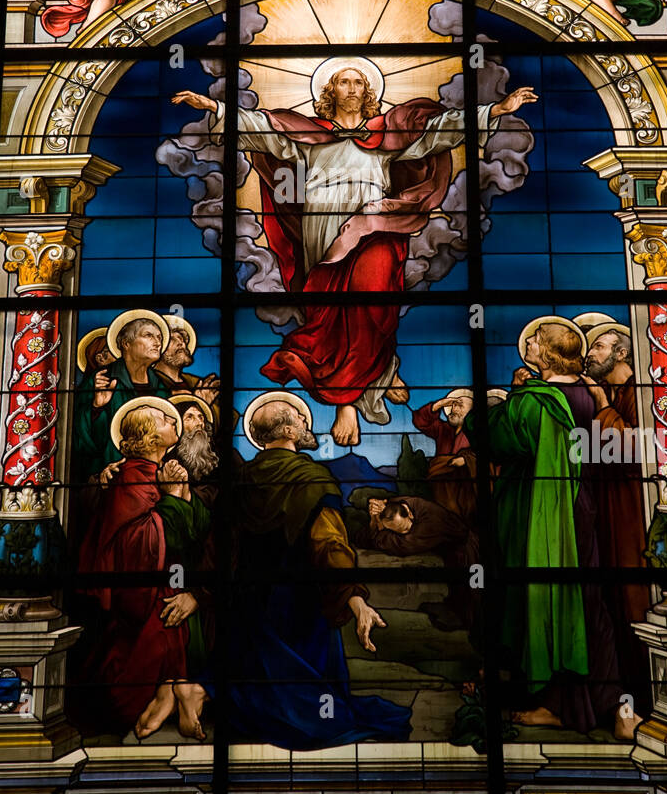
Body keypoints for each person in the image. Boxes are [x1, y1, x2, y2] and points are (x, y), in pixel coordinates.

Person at [173, 60, 536, 445]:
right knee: (332, 310)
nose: (350, 88)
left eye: (357, 82)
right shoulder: (307, 134)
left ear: (368, 92)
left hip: (376, 224)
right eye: (342, 82)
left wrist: (496, 109)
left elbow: (439, 133)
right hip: (322, 221)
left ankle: (372, 373)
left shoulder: (389, 133)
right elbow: (262, 131)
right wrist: (217, 109)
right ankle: (354, 393)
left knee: (375, 299)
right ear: (330, 92)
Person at [143, 391, 412, 748]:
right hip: (299, 602)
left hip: (247, 605)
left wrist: (202, 592)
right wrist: (354, 598)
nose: (305, 422)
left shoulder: (238, 480)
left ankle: (200, 690)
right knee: (317, 711)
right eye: (300, 418)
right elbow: (328, 545)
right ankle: (199, 692)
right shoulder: (313, 478)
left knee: (255, 675)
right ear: (287, 430)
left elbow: (218, 546)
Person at [486, 317, 638, 739]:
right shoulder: (586, 396)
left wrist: (497, 410)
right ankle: (604, 704)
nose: (528, 344)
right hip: (581, 509)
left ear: (549, 353)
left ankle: (563, 706)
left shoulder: (540, 400)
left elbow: (497, 438)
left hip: (551, 516)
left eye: (534, 339)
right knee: (587, 606)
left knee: (555, 603)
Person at [70, 399, 200, 736]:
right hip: (143, 592)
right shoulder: (131, 475)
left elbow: (193, 531)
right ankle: (171, 694)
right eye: (163, 418)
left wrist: (182, 497)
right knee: (151, 646)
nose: (173, 420)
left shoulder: (156, 472)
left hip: (169, 579)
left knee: (172, 636)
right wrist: (173, 498)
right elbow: (134, 541)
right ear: (150, 438)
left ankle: (175, 692)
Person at [581, 318, 650, 708]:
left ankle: (644, 691)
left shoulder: (638, 392)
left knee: (632, 598)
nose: (590, 355)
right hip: (605, 513)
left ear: (621, 353)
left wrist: (604, 406)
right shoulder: (606, 393)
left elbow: (632, 453)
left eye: (598, 348)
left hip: (631, 514)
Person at [72, 310, 170, 485]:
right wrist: (96, 408)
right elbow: (80, 442)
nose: (157, 343)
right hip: (110, 478)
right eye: (149, 336)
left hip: (152, 477)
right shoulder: (101, 380)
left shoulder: (161, 387)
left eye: (159, 338)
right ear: (126, 343)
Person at [363, 495, 480, 635]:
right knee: (459, 590)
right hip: (450, 551)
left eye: (405, 530)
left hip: (468, 552)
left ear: (410, 514)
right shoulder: (405, 504)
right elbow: (386, 508)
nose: (403, 533)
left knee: (474, 591)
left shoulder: (428, 526)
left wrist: (378, 524)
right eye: (395, 531)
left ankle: (473, 627)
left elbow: (394, 544)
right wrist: (377, 511)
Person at [411, 389, 476, 523]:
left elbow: (493, 457)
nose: (454, 408)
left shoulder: (478, 433)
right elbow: (421, 421)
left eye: (459, 405)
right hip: (440, 488)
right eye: (453, 405)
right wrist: (439, 404)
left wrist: (466, 459)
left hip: (466, 491)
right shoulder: (444, 429)